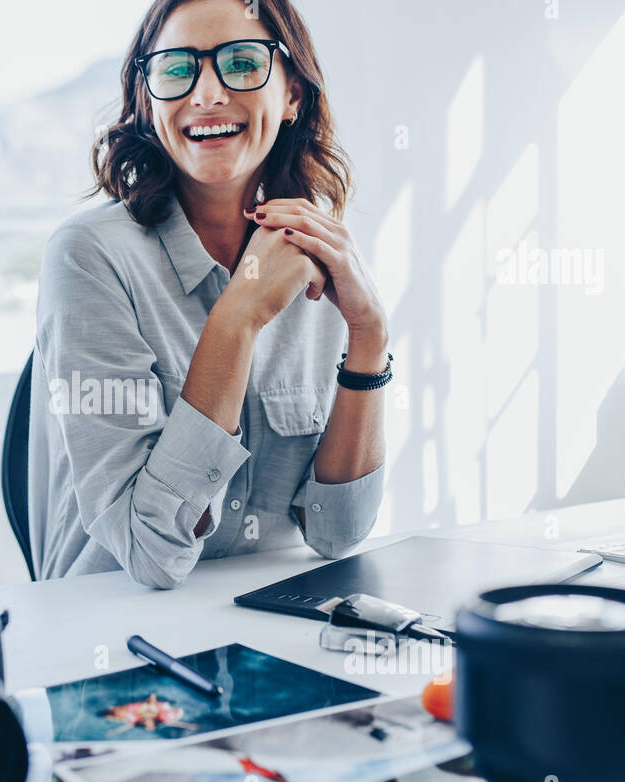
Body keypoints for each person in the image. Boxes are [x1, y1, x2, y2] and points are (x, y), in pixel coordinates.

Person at [29, 0, 389, 588]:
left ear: (293, 92)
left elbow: (337, 534)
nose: (208, 94)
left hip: (265, 624)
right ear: (149, 101)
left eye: (241, 63)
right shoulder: (87, 256)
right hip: (113, 641)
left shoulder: (315, 250)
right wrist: (238, 319)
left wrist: (370, 337)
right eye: (176, 70)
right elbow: (152, 554)